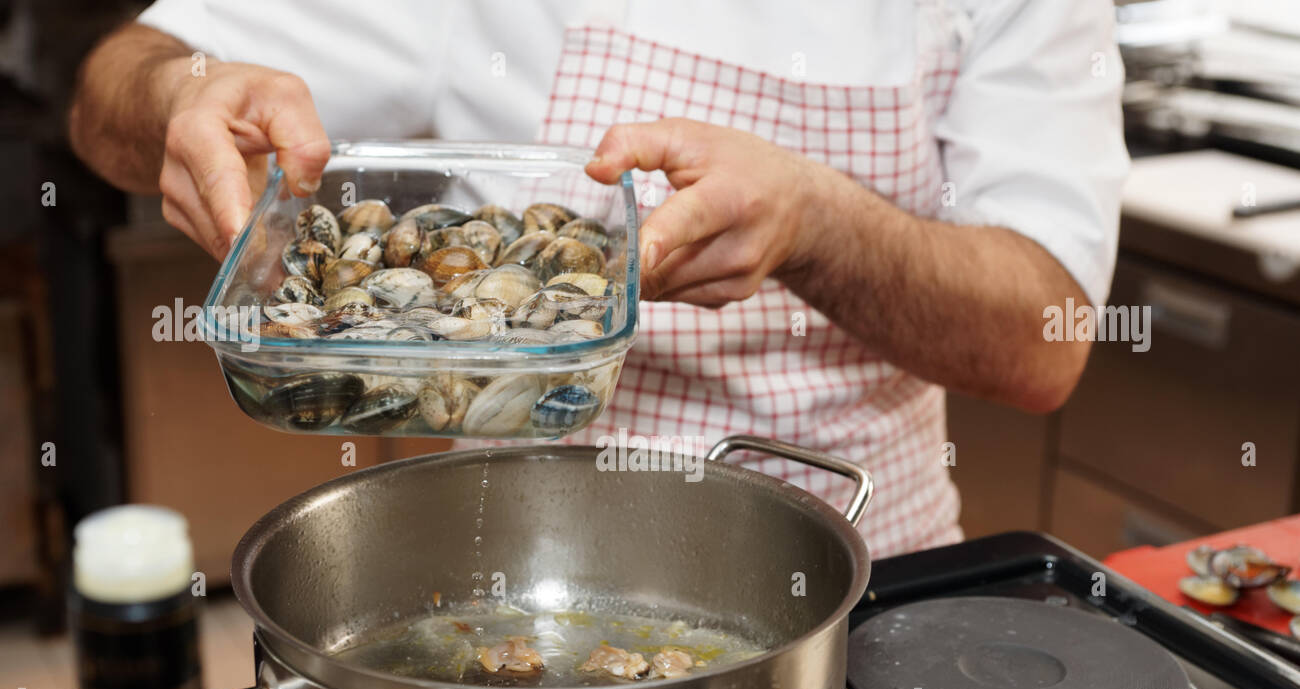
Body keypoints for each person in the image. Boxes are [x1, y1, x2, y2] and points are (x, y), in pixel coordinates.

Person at [69, 0, 1128, 556]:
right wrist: (185, 97)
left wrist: (820, 225)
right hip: (515, 567)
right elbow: (118, 81)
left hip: (861, 576)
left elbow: (1044, 340)